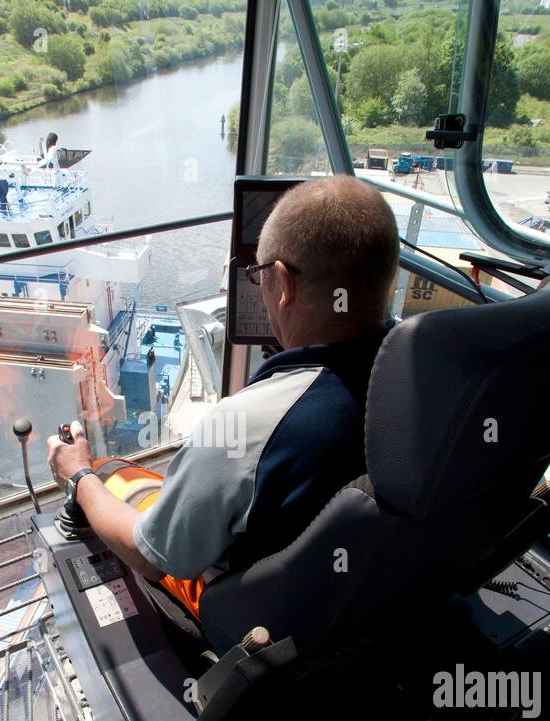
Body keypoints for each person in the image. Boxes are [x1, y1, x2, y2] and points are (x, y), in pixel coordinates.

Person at [47, 175, 401, 620]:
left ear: (282, 283)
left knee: (110, 472)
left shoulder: (247, 425)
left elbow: (152, 557)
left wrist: (78, 475)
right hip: (376, 598)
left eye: (258, 276)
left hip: (264, 624)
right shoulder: (424, 376)